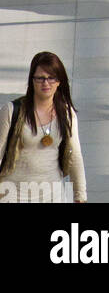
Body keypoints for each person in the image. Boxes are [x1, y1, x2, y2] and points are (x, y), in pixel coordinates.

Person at [0, 52, 87, 203]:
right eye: (40, 78)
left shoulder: (66, 113)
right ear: (32, 81)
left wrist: (80, 197)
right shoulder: (11, 111)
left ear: (59, 81)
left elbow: (75, 156)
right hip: (13, 195)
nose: (46, 83)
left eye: (51, 77)